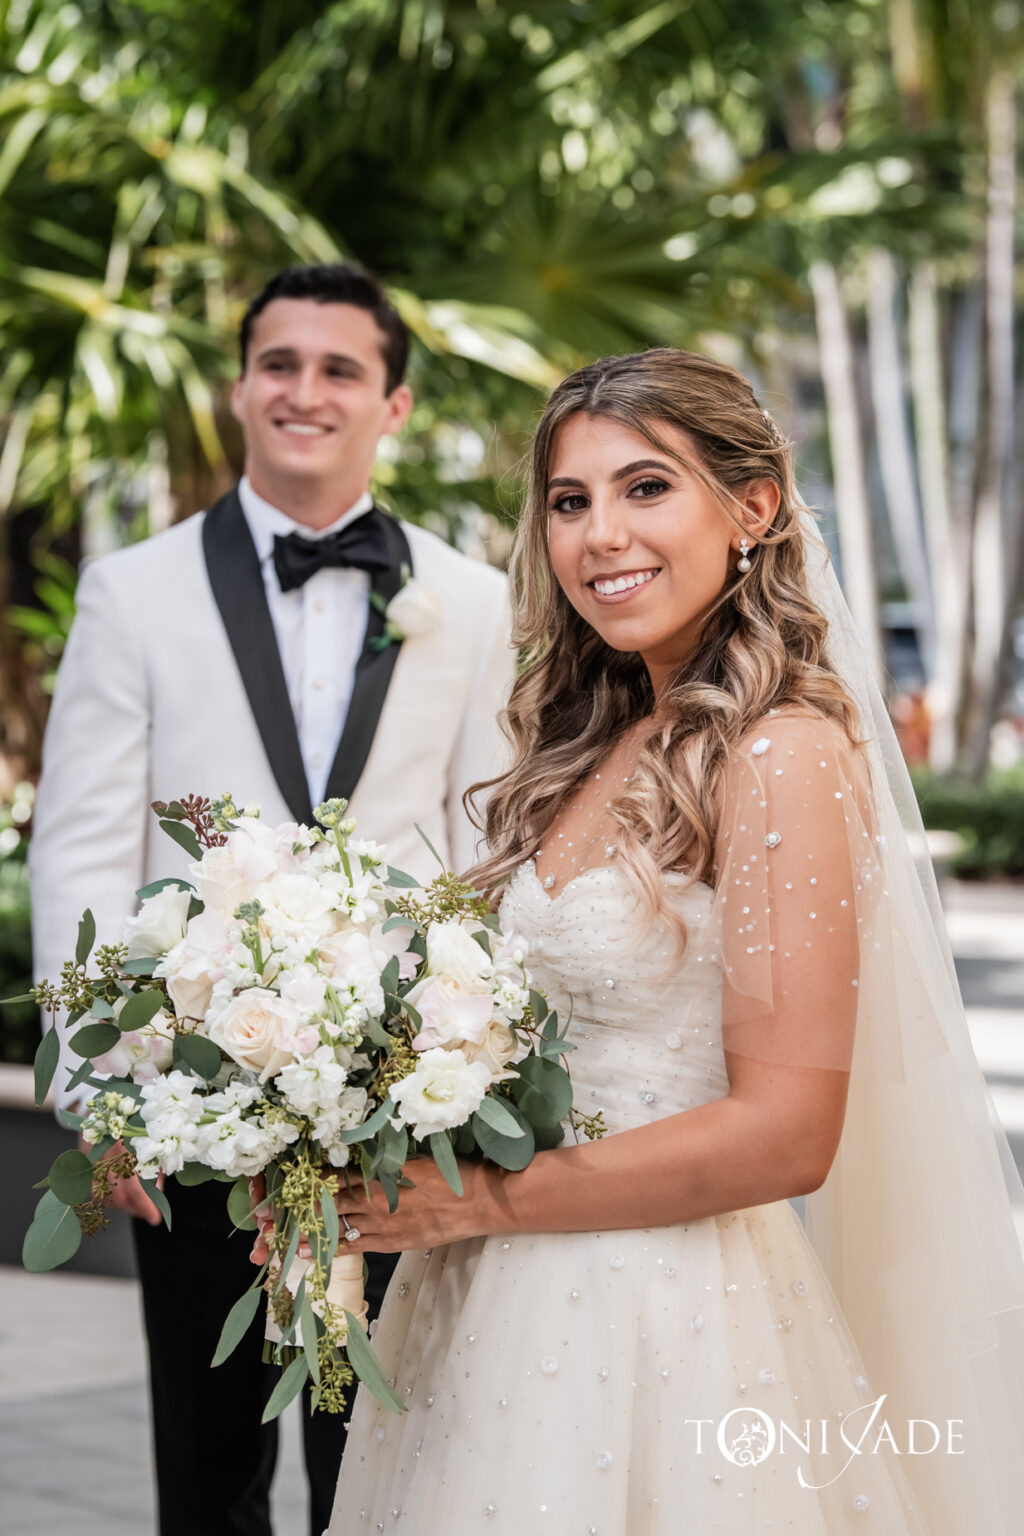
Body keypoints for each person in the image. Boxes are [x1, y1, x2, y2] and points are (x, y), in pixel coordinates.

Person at [324, 348, 1024, 1532]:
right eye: (569, 500)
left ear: (752, 509)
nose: (602, 535)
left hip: (654, 1318)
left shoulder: (781, 750)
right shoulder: (593, 742)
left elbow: (787, 1136)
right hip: (477, 1305)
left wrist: (479, 1205)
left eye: (646, 487)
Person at [29, 262, 515, 1536]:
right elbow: (82, 843)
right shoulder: (129, 589)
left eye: (339, 368)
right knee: (207, 1472)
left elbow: (481, 851)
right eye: (280, 364)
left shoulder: (470, 601)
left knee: (381, 1462)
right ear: (241, 387)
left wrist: (465, 1063)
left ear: (393, 405)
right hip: (190, 1101)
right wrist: (100, 1091)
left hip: (395, 1115)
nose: (306, 391)